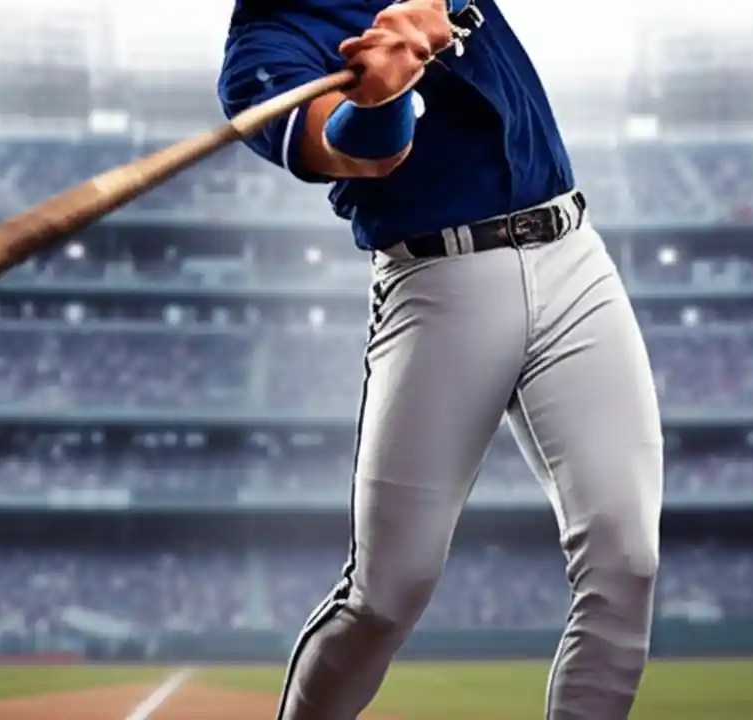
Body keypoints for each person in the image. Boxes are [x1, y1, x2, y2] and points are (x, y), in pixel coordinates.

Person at [218, 2, 664, 718]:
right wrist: (386, 93)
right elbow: (356, 149)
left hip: (573, 253)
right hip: (439, 283)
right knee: (387, 596)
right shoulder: (263, 47)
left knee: (627, 560)